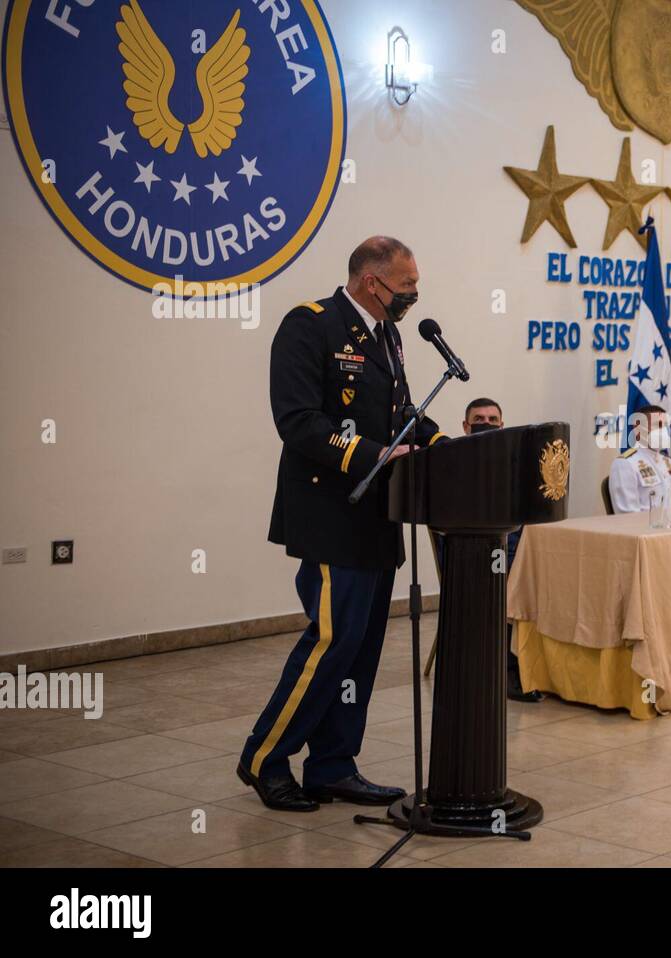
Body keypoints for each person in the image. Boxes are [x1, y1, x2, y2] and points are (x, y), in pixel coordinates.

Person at [239, 236, 440, 812]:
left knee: (361, 650)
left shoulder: (389, 335)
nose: (413, 298)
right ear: (370, 282)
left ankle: (332, 764)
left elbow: (398, 412)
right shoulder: (309, 325)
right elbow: (298, 421)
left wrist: (441, 442)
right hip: (330, 512)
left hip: (378, 517)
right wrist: (371, 455)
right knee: (331, 642)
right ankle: (264, 759)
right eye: (405, 288)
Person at [445, 397, 542, 702]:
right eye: (478, 419)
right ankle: (510, 670)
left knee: (546, 577)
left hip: (517, 548)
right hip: (474, 555)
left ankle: (539, 668)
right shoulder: (452, 463)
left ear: (502, 425)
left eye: (491, 420)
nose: (485, 424)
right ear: (465, 426)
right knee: (518, 581)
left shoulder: (514, 465)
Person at [609, 405, 671, 512]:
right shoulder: (625, 463)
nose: (663, 431)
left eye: (666, 426)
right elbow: (628, 515)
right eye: (658, 425)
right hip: (642, 526)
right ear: (638, 429)